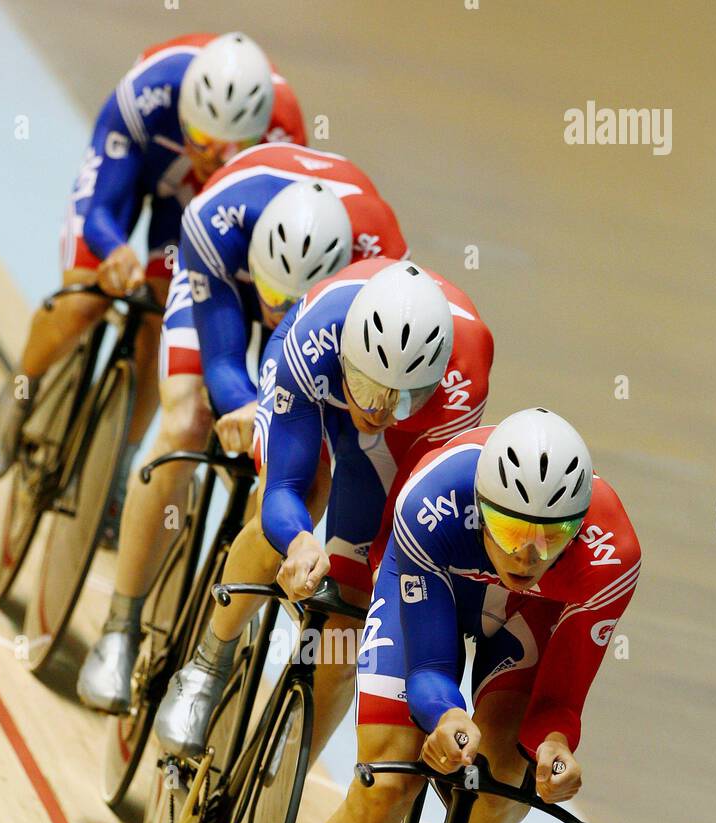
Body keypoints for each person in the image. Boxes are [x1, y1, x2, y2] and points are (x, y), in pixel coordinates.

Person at [252, 407, 641, 823]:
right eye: (516, 531)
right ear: (484, 507)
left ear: (577, 528)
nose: (529, 555)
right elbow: (429, 667)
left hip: (523, 629)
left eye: (551, 538)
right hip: (433, 593)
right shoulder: (433, 500)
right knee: (386, 785)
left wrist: (554, 748)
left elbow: (558, 701)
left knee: (500, 788)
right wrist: (444, 717)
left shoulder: (609, 556)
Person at [78, 143, 408, 712]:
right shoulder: (216, 222)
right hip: (223, 278)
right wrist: (239, 402)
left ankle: (231, 616)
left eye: (292, 302)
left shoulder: (380, 268)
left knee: (307, 475)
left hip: (333, 336)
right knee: (186, 421)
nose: (276, 311)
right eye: (272, 295)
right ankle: (120, 626)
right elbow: (228, 361)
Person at [153, 257, 493, 774]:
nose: (378, 409)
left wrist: (376, 575)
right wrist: (300, 543)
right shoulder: (317, 337)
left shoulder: (462, 381)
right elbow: (284, 488)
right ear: (348, 354)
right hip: (318, 391)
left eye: (398, 397)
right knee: (301, 498)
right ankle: (207, 662)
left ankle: (283, 773)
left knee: (354, 607)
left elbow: (412, 520)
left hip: (408, 440)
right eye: (369, 386)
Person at [0, 29, 305, 545]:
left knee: (159, 320)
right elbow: (102, 207)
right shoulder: (152, 91)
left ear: (255, 136)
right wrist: (115, 250)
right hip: (138, 167)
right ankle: (23, 386)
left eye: (227, 150)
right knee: (84, 298)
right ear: (187, 116)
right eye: (200, 142)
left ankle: (116, 466)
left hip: (197, 212)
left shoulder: (284, 135)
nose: (211, 157)